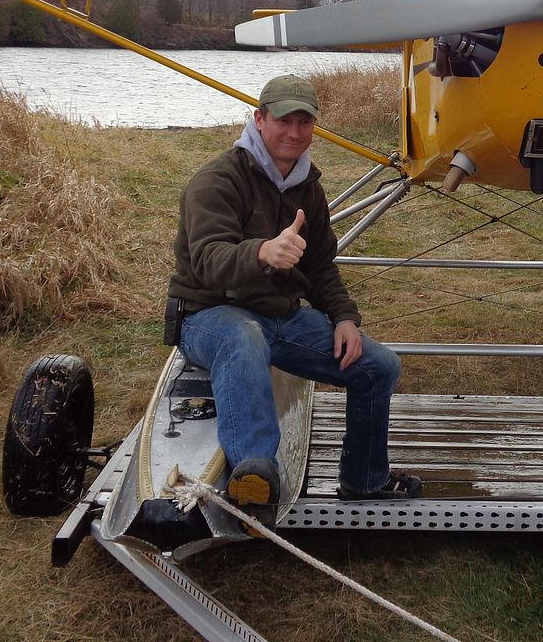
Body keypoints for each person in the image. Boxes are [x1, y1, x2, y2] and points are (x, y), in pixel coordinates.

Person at [166, 73, 421, 527]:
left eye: (305, 122)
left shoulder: (308, 188)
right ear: (259, 119)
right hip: (209, 315)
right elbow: (205, 260)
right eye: (284, 120)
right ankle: (254, 474)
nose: (295, 132)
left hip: (281, 319)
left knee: (379, 367)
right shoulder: (216, 181)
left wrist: (344, 318)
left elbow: (322, 266)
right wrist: (262, 252)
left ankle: (364, 478)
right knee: (243, 338)